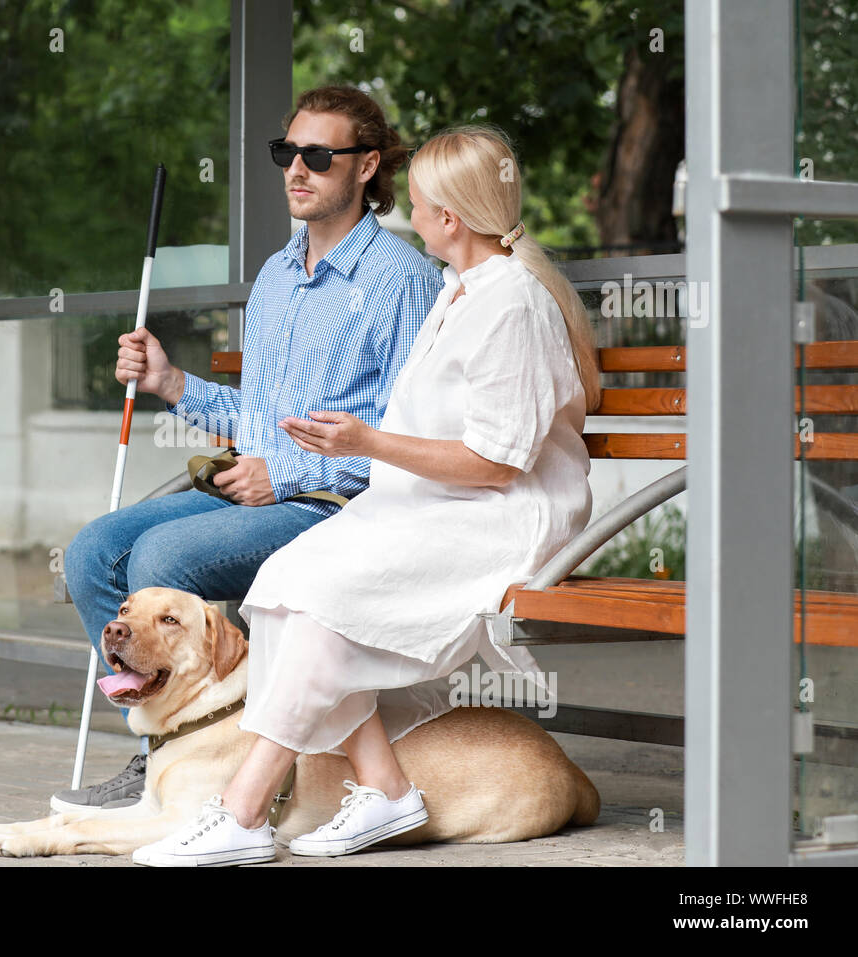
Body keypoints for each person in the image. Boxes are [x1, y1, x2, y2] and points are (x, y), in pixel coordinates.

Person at [132, 124, 602, 867]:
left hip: (500, 517)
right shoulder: (464, 288)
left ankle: (242, 810)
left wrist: (366, 443)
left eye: (415, 205)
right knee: (287, 580)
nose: (406, 217)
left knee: (323, 598)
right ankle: (382, 789)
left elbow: (495, 464)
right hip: (435, 503)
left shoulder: (512, 303)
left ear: (449, 218)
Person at [55, 86, 445, 815]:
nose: (297, 169)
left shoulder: (403, 282)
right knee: (91, 553)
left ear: (366, 168)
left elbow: (411, 441)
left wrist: (288, 471)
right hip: (256, 490)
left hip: (339, 505)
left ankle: (211, 761)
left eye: (318, 156)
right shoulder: (276, 276)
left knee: (160, 562)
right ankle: (168, 746)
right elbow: (259, 419)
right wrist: (173, 382)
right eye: (286, 152)